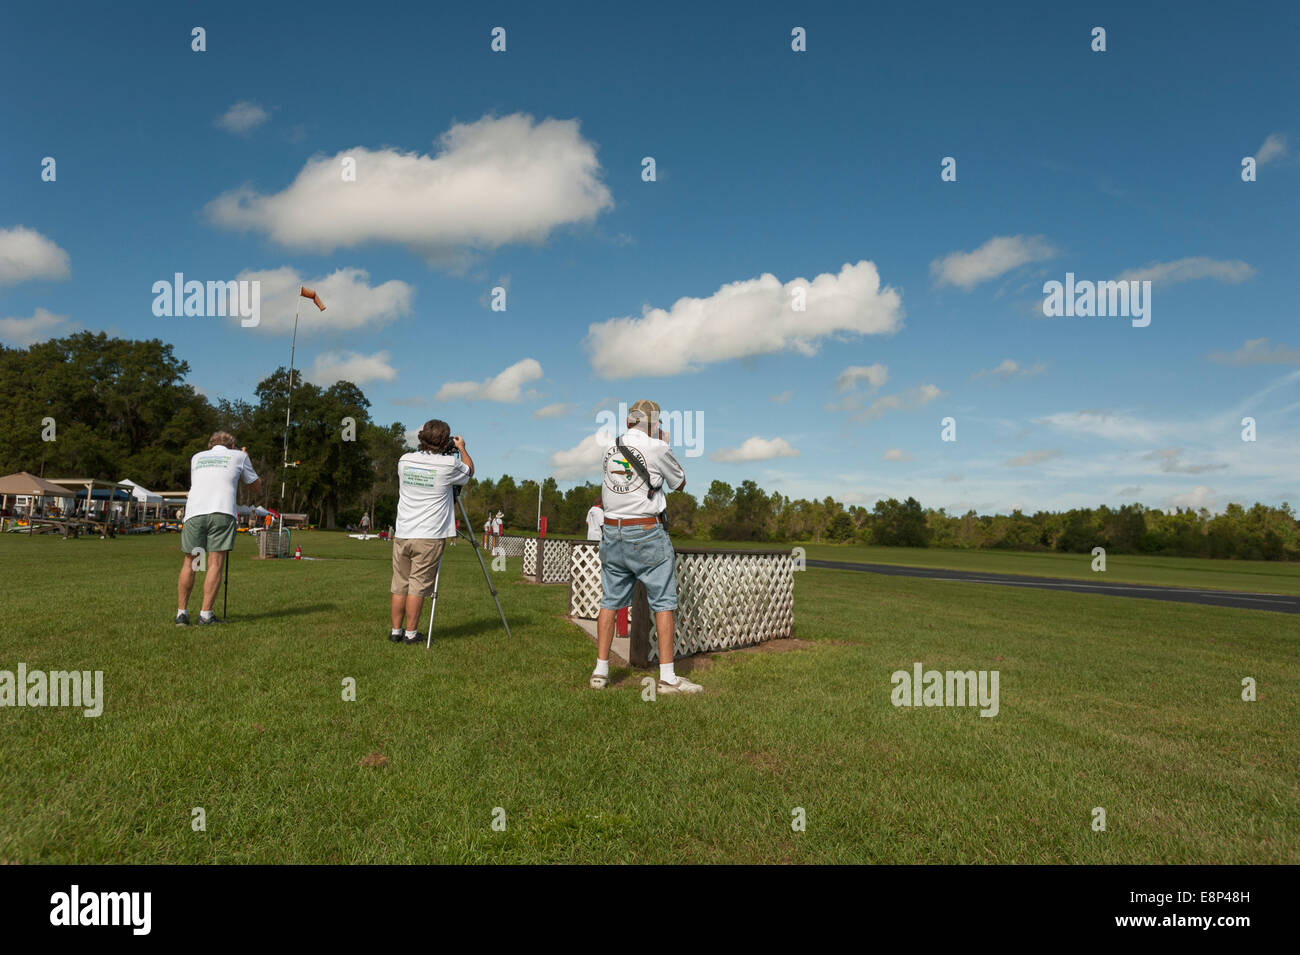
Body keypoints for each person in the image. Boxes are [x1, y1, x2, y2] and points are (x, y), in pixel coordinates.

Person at [590, 399, 701, 694]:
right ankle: (667, 677)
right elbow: (680, 483)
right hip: (646, 532)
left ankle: (600, 672)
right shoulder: (657, 447)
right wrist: (663, 444)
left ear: (628, 422)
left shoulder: (610, 447)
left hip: (612, 532)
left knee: (610, 601)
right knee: (663, 603)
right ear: (654, 424)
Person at [389, 419, 473, 644]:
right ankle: (411, 634)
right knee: (417, 585)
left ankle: (395, 631)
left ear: (421, 436)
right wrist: (462, 448)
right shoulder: (448, 465)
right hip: (429, 535)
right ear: (445, 441)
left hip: (403, 532)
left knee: (400, 584)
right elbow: (469, 471)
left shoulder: (404, 460)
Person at [175, 431, 261, 626]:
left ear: (210, 445)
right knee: (214, 563)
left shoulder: (197, 457)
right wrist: (244, 458)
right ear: (232, 446)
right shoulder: (240, 456)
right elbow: (255, 486)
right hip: (221, 513)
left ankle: (182, 614)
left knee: (194, 562)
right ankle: (205, 615)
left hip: (195, 513)